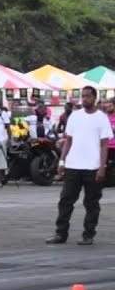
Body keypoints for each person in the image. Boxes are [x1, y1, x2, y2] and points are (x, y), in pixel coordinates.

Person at [48, 86, 112, 246]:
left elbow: (105, 145)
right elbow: (68, 141)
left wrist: (102, 167)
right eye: (83, 96)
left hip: (93, 166)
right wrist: (62, 161)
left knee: (91, 203)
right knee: (65, 200)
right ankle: (60, 233)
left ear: (94, 98)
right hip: (73, 165)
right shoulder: (75, 116)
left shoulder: (101, 118)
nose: (84, 99)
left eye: (88, 96)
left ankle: (88, 234)